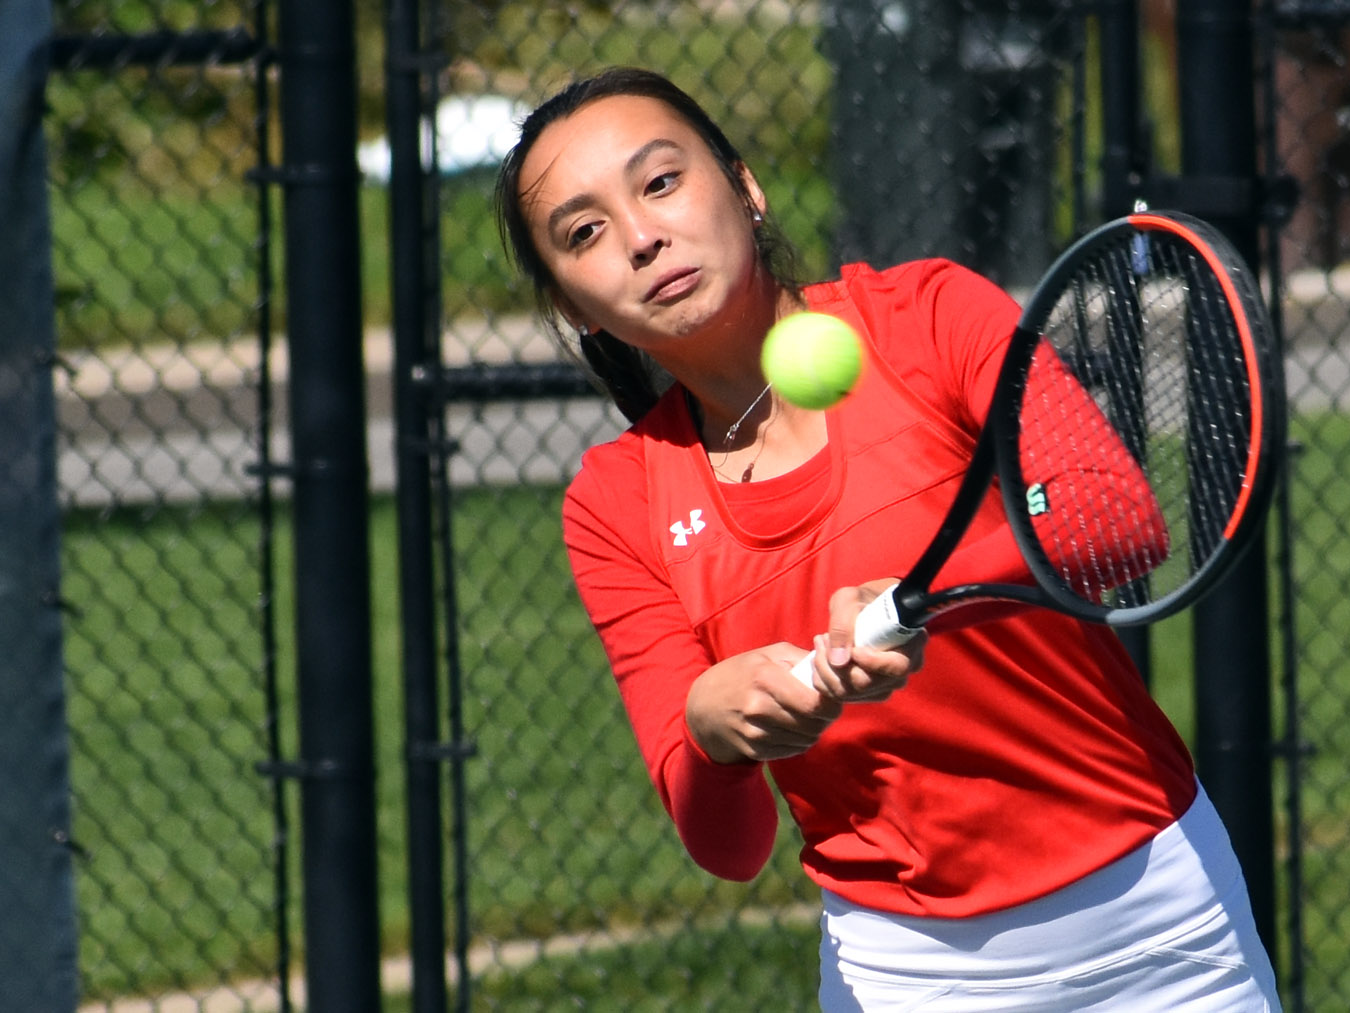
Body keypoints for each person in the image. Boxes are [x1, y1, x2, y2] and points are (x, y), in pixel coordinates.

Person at [496, 66, 1282, 1011]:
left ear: (745, 189)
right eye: (584, 233)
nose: (640, 236)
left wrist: (916, 593)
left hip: (1157, 928)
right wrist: (714, 731)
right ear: (576, 306)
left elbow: (1112, 520)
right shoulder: (614, 502)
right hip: (905, 977)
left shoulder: (930, 314)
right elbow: (730, 846)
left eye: (661, 181)